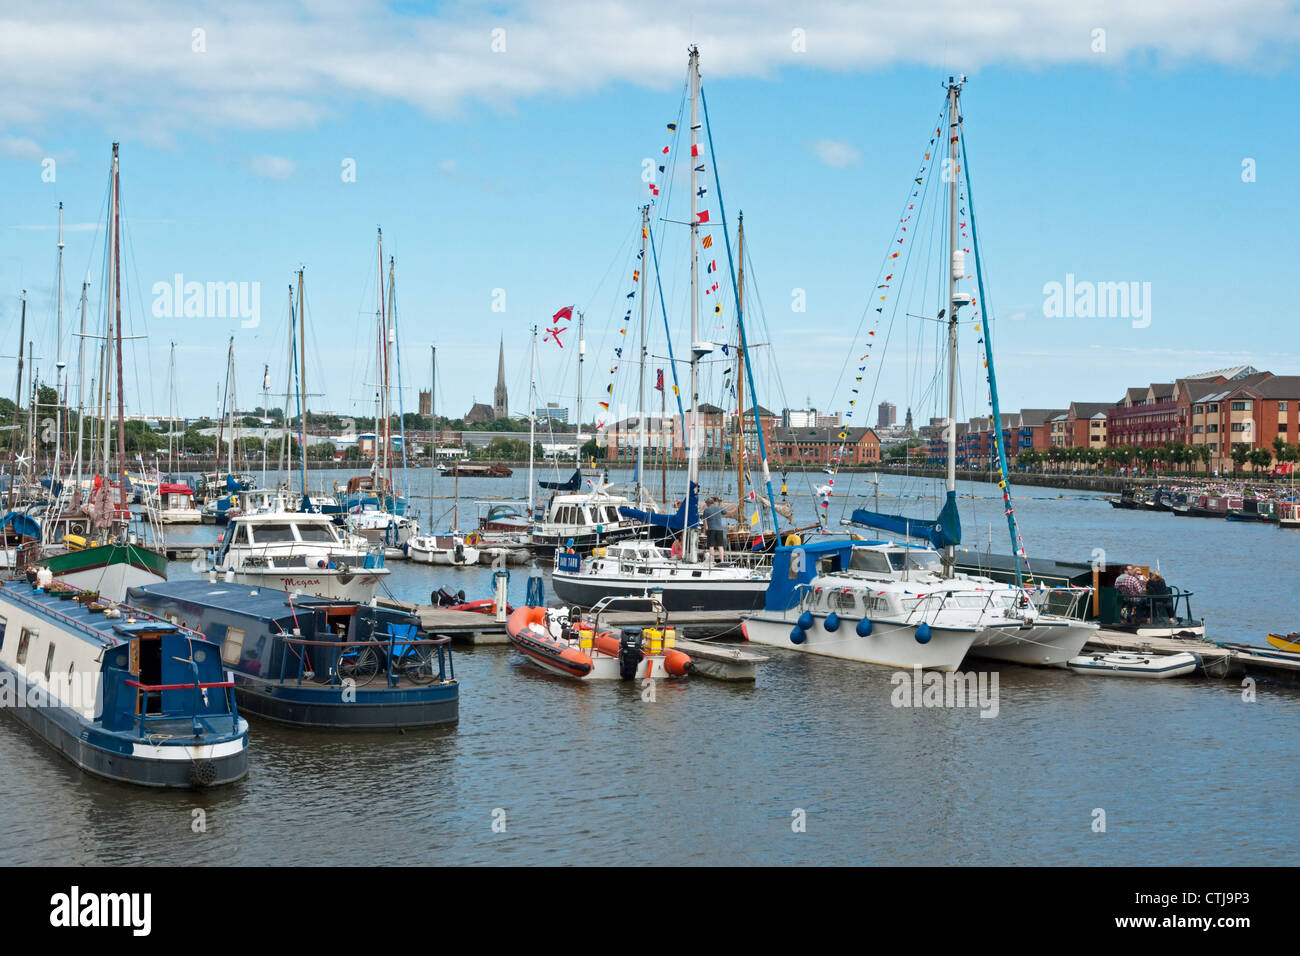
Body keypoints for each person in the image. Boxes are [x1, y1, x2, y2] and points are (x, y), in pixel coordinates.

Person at [701, 496, 727, 563]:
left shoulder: (706, 510)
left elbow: (704, 521)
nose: (706, 505)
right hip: (719, 529)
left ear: (708, 503)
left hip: (711, 529)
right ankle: (722, 560)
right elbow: (725, 512)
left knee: (711, 546)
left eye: (706, 503)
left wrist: (705, 529)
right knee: (720, 546)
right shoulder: (719, 508)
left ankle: (712, 561)